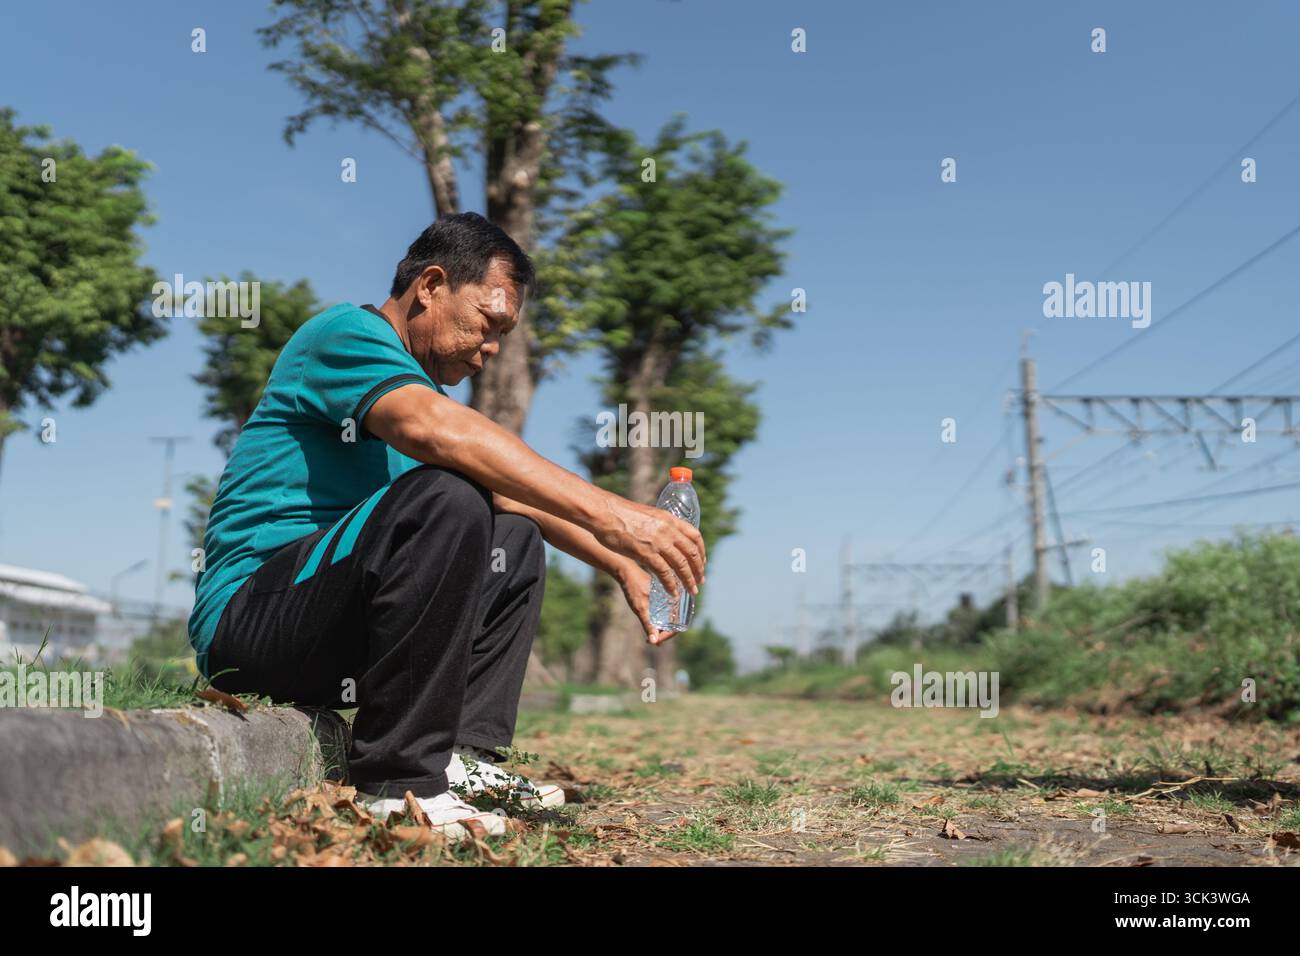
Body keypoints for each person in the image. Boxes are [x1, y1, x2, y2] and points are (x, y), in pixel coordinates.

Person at [188, 213, 706, 841]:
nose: (491, 350)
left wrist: (620, 558)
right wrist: (618, 514)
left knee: (510, 538)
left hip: (325, 635)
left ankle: (462, 761)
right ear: (430, 285)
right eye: (489, 324)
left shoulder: (409, 400)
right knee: (450, 497)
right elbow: (438, 434)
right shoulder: (345, 336)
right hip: (249, 626)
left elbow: (520, 501)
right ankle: (398, 783)